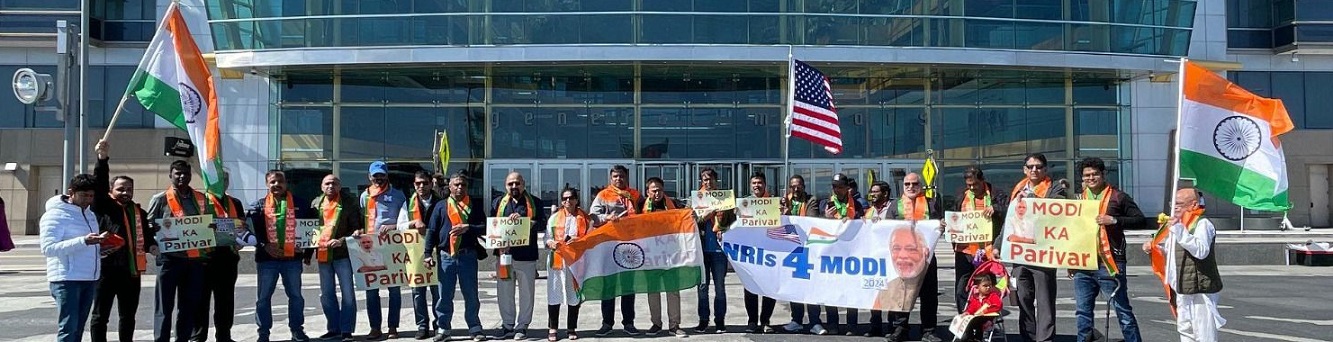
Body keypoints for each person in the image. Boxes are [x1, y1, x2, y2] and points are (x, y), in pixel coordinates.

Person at [146, 160, 223, 342]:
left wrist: (211, 226)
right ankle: (161, 339)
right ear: (170, 175)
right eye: (178, 173)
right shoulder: (160, 199)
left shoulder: (201, 198)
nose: (182, 177)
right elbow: (148, 223)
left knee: (189, 305)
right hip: (169, 259)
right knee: (164, 305)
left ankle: (183, 338)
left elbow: (210, 221)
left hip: (194, 260)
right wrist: (154, 229)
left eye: (186, 173)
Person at [1072, 157, 1144, 342]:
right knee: (1082, 312)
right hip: (1083, 263)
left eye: (1095, 174)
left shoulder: (1118, 196)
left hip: (1110, 262)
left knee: (1122, 309)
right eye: (1087, 175)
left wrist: (1114, 220)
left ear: (1103, 174)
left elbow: (1140, 220)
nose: (1091, 178)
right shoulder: (1077, 199)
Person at [89, 141, 151, 342]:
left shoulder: (139, 212)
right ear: (111, 190)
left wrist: (154, 245)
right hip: (106, 270)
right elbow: (99, 184)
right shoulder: (104, 206)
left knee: (128, 316)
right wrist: (102, 159)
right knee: (100, 315)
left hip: (130, 271)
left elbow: (147, 236)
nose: (126, 192)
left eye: (129, 189)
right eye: (121, 189)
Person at [1143, 189, 1225, 342]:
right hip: (1181, 287)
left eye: (1179, 204)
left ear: (1193, 205)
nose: (1174, 207)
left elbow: (1201, 251)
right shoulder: (1178, 224)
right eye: (1172, 204)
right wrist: (1156, 249)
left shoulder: (1202, 224)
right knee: (1185, 329)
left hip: (1200, 288)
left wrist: (1180, 231)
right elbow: (1174, 253)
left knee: (1204, 332)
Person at [247, 170, 314, 342]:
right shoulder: (258, 206)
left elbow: (312, 229)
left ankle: (297, 330)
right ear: (267, 184)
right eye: (272, 182)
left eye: (280, 181)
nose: (277, 185)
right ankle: (263, 332)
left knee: (296, 296)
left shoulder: (301, 204)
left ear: (286, 183)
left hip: (292, 260)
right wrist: (265, 245)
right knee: (263, 298)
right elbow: (250, 231)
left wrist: (306, 250)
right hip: (267, 260)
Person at [1009, 153, 1069, 342]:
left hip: (1043, 254)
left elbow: (1058, 208)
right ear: (1024, 169)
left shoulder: (1054, 187)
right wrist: (997, 245)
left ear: (1045, 169)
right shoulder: (1018, 189)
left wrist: (1031, 198)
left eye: (1038, 166)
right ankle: (1028, 337)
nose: (1034, 170)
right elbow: (1010, 221)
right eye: (1030, 166)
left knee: (1045, 302)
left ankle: (1045, 339)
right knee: (1023, 299)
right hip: (1020, 254)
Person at [423, 171, 487, 342]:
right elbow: (432, 231)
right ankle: (443, 329)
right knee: (444, 295)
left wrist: (468, 227)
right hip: (446, 256)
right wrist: (427, 253)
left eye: (463, 185)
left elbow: (485, 227)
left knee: (471, 294)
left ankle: (475, 328)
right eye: (456, 184)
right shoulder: (440, 206)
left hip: (468, 255)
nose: (460, 187)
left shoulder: (474, 205)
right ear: (450, 187)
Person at [41, 173, 105, 342]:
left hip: (88, 277)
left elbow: (87, 245)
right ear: (71, 193)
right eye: (84, 195)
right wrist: (83, 241)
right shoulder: (55, 215)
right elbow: (48, 248)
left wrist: (102, 248)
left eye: (91, 196)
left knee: (78, 328)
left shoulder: (90, 215)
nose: (88, 200)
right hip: (66, 278)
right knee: (68, 327)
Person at [882, 173, 944, 342]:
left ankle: (929, 331)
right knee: (902, 295)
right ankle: (900, 329)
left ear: (920, 185)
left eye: (914, 183)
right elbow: (887, 230)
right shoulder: (895, 205)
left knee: (929, 296)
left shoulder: (931, 203)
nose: (911, 187)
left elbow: (938, 226)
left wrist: (942, 226)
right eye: (907, 184)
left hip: (926, 258)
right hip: (903, 258)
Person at [492, 171, 547, 340]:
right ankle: (507, 325)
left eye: (517, 183)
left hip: (526, 255)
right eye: (510, 184)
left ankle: (522, 326)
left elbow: (543, 224)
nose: (514, 186)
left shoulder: (535, 202)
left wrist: (527, 222)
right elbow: (493, 225)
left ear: (524, 184)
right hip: (504, 255)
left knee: (526, 294)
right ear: (505, 186)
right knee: (504, 292)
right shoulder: (498, 203)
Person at [590, 165, 642, 337]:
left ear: (626, 178)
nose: (618, 179)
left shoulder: (635, 195)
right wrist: (607, 217)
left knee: (628, 286)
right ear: (610, 178)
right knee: (608, 285)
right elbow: (593, 217)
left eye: (621, 176)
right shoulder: (603, 195)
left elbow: (646, 213)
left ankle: (629, 323)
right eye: (615, 176)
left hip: (630, 246)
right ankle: (607, 323)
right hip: (609, 246)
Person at [194, 170, 246, 342]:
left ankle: (224, 336)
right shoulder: (200, 200)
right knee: (201, 300)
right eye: (217, 180)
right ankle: (198, 336)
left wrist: (241, 238)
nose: (221, 183)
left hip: (228, 259)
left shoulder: (235, 202)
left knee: (225, 300)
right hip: (204, 259)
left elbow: (242, 226)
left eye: (224, 180)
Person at [545, 187, 602, 342]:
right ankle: (553, 328)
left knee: (574, 295)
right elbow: (547, 237)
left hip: (577, 261)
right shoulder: (554, 218)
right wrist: (551, 243)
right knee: (554, 294)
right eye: (565, 198)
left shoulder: (586, 219)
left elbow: (591, 239)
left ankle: (571, 328)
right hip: (557, 262)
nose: (568, 201)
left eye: (571, 198)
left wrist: (578, 241)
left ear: (576, 200)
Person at [313, 174, 363, 342]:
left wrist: (341, 240)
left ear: (339, 186)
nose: (330, 186)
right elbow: (309, 230)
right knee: (326, 294)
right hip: (323, 255)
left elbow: (357, 229)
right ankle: (333, 328)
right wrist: (306, 254)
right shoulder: (315, 204)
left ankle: (346, 330)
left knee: (347, 294)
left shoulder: (348, 203)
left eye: (334, 183)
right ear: (322, 187)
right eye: (327, 183)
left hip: (343, 255)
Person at [360, 161, 407, 340]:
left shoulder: (398, 195)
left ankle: (393, 326)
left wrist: (393, 226)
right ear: (369, 177)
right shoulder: (364, 196)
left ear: (387, 176)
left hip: (392, 247)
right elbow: (361, 219)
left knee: (394, 290)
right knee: (372, 290)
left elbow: (405, 221)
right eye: (375, 175)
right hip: (370, 248)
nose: (378, 178)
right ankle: (375, 327)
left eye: (381, 175)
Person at [952, 167, 1008, 314]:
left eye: (975, 184)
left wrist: (996, 208)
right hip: (965, 251)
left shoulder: (996, 194)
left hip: (987, 251)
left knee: (987, 287)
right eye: (969, 185)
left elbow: (1009, 211)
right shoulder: (961, 196)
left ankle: (986, 318)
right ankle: (965, 317)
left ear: (982, 180)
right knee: (961, 289)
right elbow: (954, 217)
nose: (972, 188)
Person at [819, 173, 866, 336]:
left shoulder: (858, 205)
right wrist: (826, 218)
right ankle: (833, 323)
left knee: (851, 289)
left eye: (840, 186)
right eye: (834, 186)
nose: (836, 189)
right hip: (831, 253)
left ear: (847, 188)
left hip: (851, 252)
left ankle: (852, 324)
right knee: (830, 289)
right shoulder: (825, 203)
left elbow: (864, 224)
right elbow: (816, 225)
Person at [640, 177, 688, 337]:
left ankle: (674, 325)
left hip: (671, 254)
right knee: (653, 291)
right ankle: (656, 324)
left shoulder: (675, 204)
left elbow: (687, 218)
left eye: (659, 190)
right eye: (653, 190)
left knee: (672, 290)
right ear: (647, 192)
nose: (657, 193)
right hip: (651, 255)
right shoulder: (641, 207)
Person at [398, 171, 443, 340]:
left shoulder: (441, 202)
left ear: (431, 184)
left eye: (424, 183)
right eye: (418, 183)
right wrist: (413, 223)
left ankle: (439, 324)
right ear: (414, 185)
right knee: (418, 291)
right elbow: (400, 225)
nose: (421, 186)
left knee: (438, 291)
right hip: (416, 254)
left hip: (437, 252)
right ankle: (422, 325)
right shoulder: (408, 203)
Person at [779, 175, 826, 335]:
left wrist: (789, 215)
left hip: (809, 249)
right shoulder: (784, 201)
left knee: (811, 287)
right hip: (792, 249)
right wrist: (782, 213)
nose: (796, 189)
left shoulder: (811, 200)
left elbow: (810, 221)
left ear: (804, 186)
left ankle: (815, 322)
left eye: (798, 186)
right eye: (793, 186)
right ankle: (796, 320)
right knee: (795, 287)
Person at [692, 168, 729, 334]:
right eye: (705, 180)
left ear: (716, 180)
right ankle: (703, 320)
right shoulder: (696, 199)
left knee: (720, 287)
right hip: (701, 250)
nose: (708, 182)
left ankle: (720, 321)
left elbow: (732, 220)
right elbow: (691, 221)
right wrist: (706, 215)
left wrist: (723, 226)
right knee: (702, 288)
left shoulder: (725, 198)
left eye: (710, 179)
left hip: (719, 250)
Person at [741, 172, 777, 334]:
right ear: (750, 185)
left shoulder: (773, 202)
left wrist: (783, 212)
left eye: (760, 182)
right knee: (750, 287)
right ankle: (752, 321)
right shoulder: (745, 204)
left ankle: (765, 321)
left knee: (769, 288)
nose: (757, 185)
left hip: (770, 252)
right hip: (751, 253)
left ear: (765, 185)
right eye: (754, 183)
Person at [859, 180, 896, 337]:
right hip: (874, 257)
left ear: (885, 194)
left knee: (892, 292)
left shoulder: (893, 208)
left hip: (891, 256)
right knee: (875, 292)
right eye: (871, 191)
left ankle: (893, 326)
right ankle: (875, 326)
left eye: (876, 192)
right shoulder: (869, 211)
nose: (872, 194)